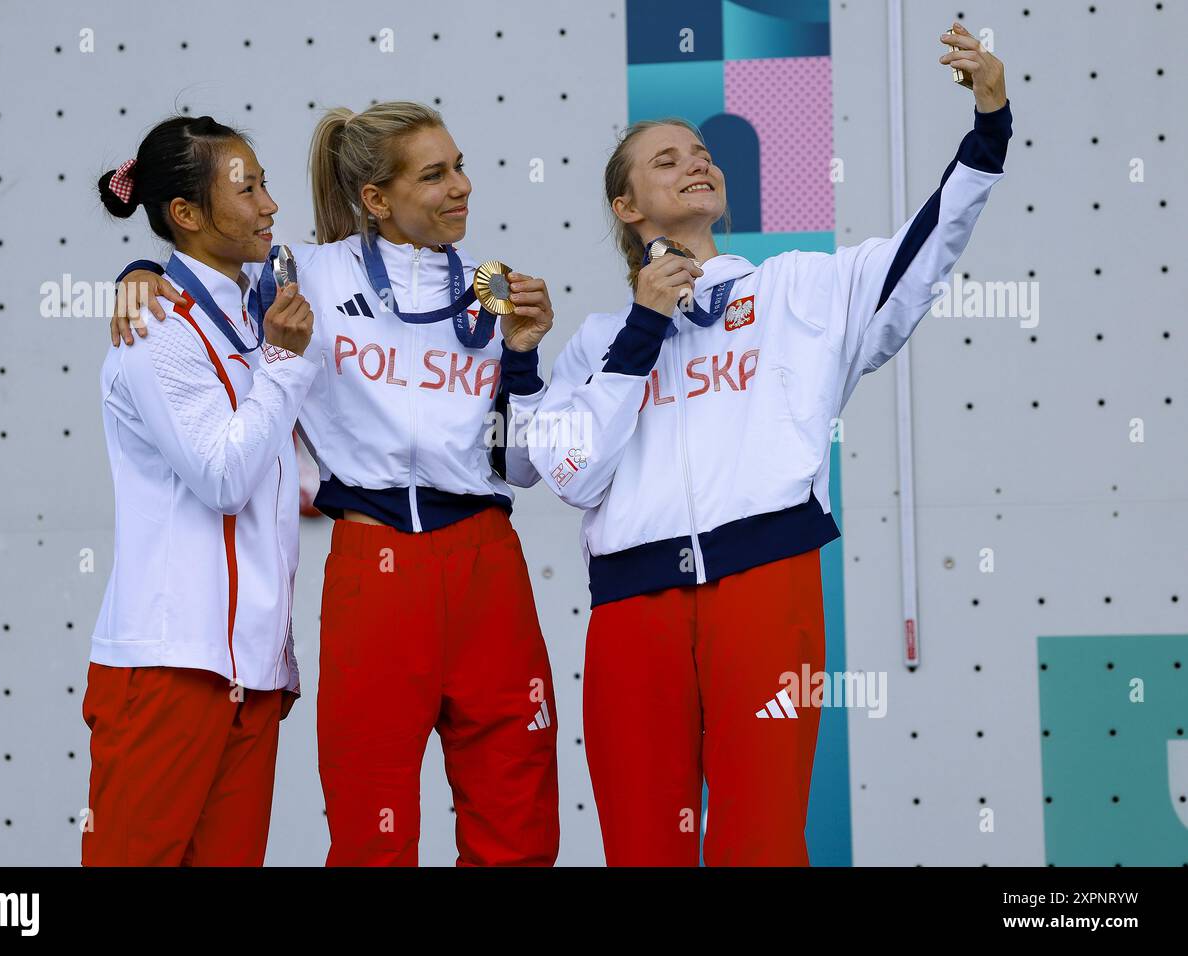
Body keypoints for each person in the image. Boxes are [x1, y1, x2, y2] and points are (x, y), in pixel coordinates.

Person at [526, 22, 1011, 865]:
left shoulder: (797, 290)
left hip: (767, 587)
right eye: (667, 159)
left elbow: (924, 250)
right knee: (642, 844)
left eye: (703, 152)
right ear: (626, 207)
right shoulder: (596, 340)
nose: (697, 163)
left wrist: (989, 125)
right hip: (633, 611)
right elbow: (570, 472)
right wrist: (643, 328)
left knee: (763, 840)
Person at [110, 102, 561, 866]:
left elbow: (516, 467)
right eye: (437, 174)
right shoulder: (303, 273)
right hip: (376, 567)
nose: (463, 187)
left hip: (488, 559)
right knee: (371, 828)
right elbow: (201, 257)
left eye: (460, 166)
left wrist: (522, 359)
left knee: (517, 821)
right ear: (376, 199)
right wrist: (140, 271)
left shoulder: (493, 285)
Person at [85, 115, 318, 866]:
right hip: (169, 666)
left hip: (250, 670)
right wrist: (283, 367)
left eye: (265, 183)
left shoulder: (256, 312)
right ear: (184, 215)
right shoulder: (155, 324)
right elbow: (221, 477)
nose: (269, 205)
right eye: (246, 189)